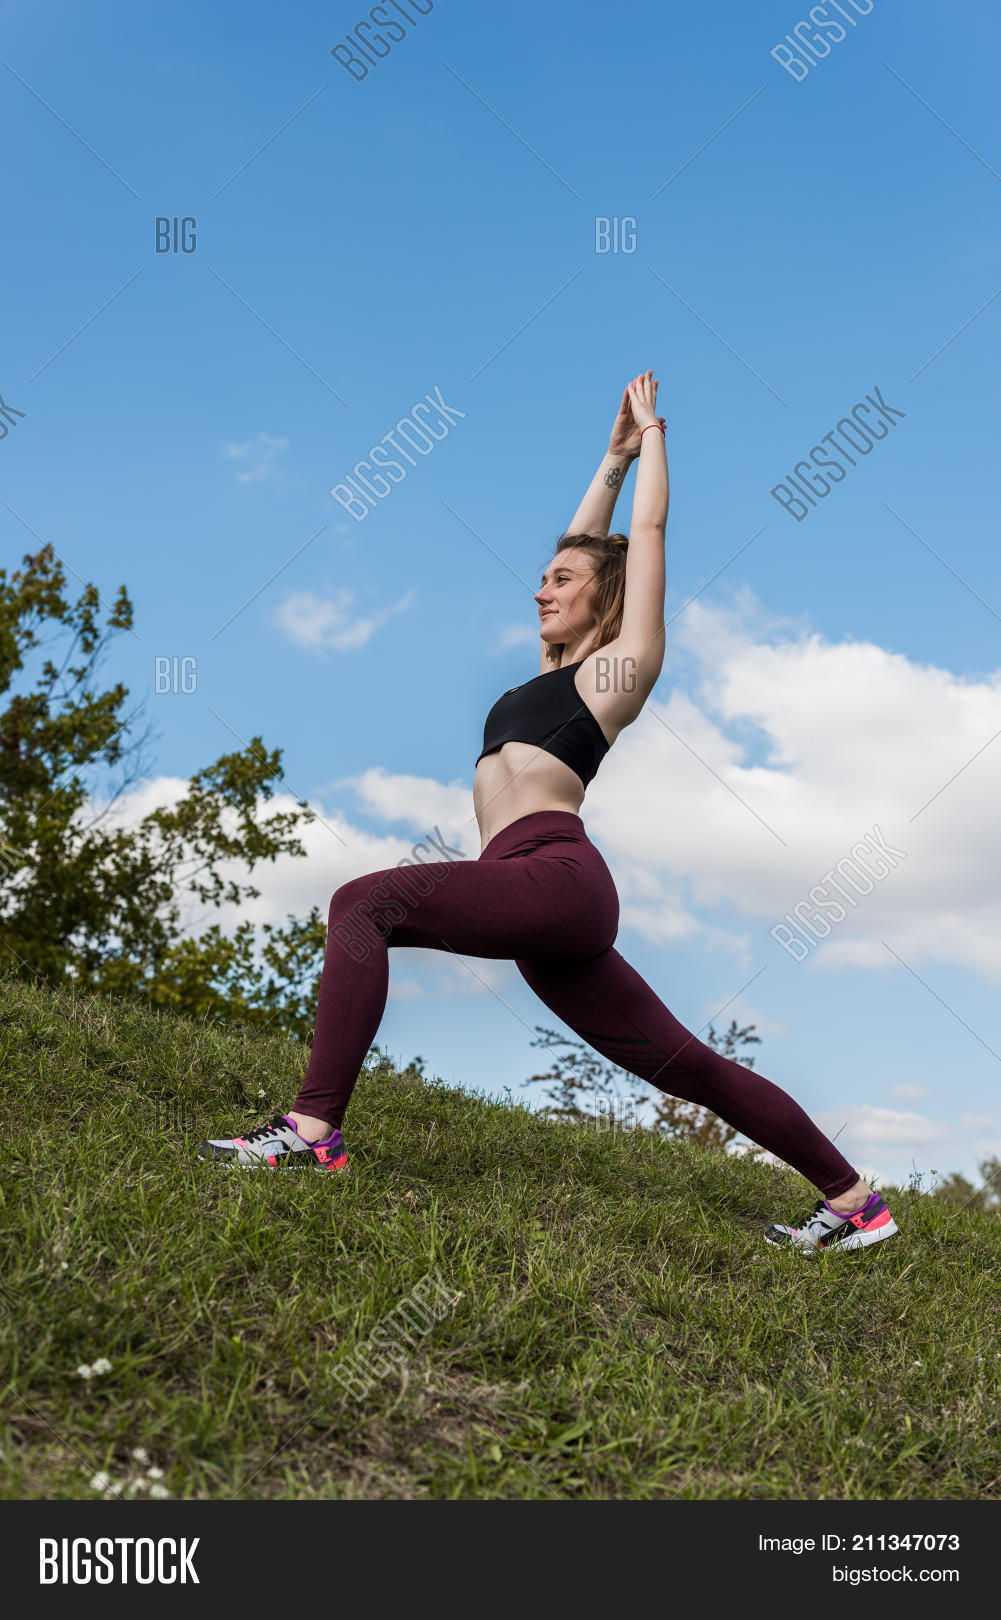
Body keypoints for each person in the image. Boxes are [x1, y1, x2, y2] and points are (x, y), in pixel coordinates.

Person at [199, 370, 898, 1256]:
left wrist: (652, 439)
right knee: (683, 1065)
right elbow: (586, 543)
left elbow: (643, 536)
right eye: (541, 578)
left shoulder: (617, 672)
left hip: (556, 877)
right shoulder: (548, 672)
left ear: (603, 600)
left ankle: (312, 1130)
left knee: (361, 903)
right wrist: (609, 460)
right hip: (529, 896)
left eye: (560, 581)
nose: (540, 589)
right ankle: (854, 1201)